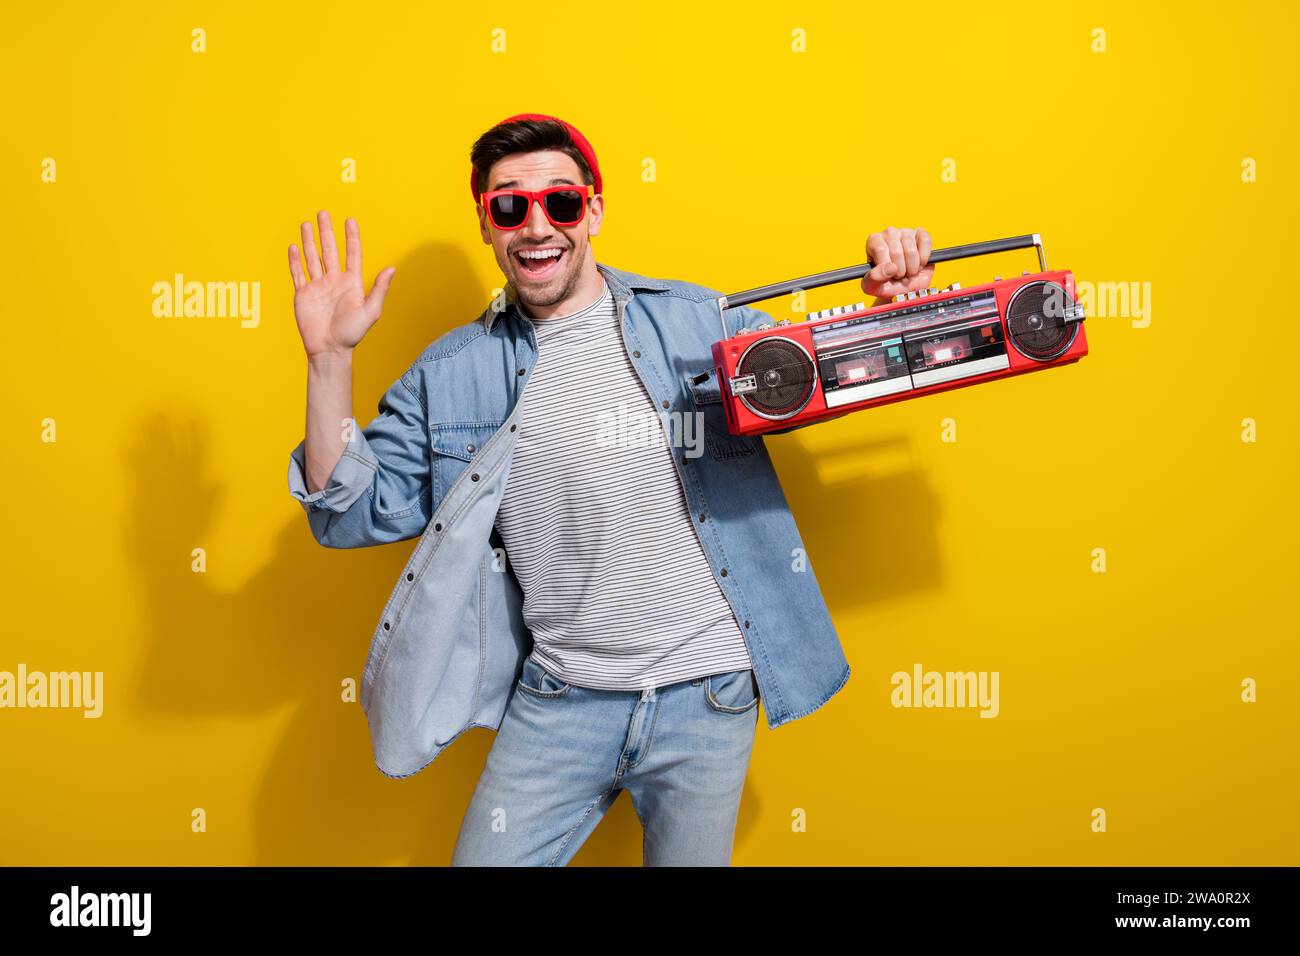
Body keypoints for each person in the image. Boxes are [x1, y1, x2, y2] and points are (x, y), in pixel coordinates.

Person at [285, 112, 936, 866]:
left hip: (709, 697)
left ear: (592, 208)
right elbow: (346, 512)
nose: (537, 226)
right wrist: (328, 360)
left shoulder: (697, 321)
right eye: (510, 206)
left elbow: (837, 380)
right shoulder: (451, 372)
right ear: (487, 224)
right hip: (561, 702)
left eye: (560, 202)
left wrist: (897, 310)